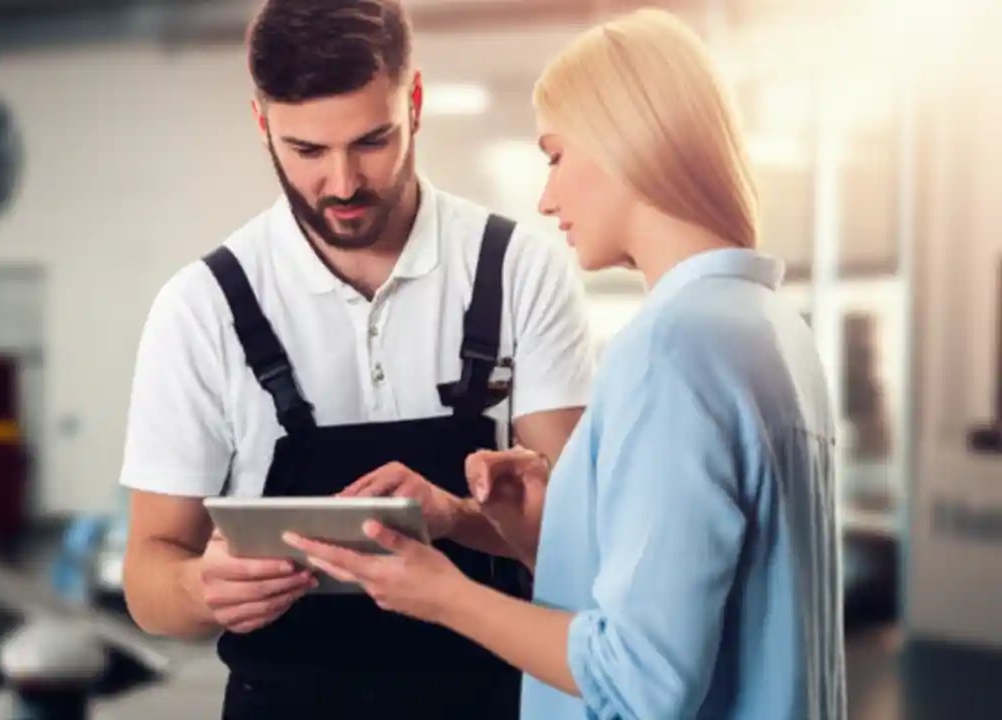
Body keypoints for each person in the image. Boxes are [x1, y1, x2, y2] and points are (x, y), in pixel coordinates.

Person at [288, 8, 845, 720]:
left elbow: (638, 679)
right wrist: (509, 523)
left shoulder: (671, 349)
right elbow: (702, 598)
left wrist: (443, 595)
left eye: (554, 155)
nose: (547, 198)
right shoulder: (770, 329)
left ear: (626, 141)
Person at [118, 1, 597, 718]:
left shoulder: (519, 270)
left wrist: (460, 515)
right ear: (262, 126)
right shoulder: (201, 307)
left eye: (372, 141)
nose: (342, 184)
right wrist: (199, 590)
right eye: (306, 151)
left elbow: (576, 540)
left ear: (415, 102)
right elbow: (149, 575)